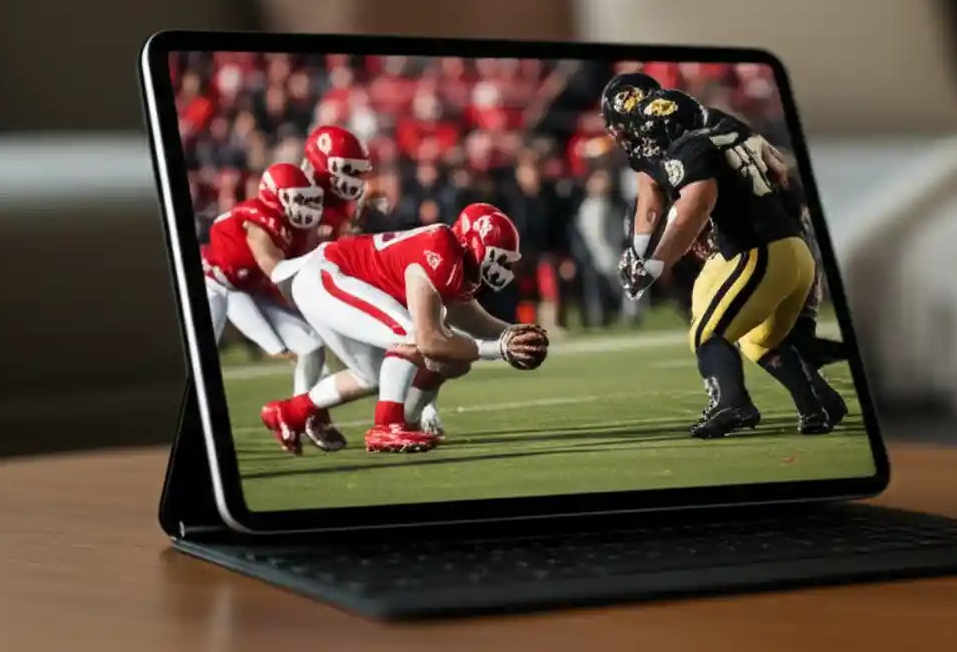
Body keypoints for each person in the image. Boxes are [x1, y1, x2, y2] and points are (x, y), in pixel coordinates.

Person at [604, 75, 844, 437]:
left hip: (761, 250)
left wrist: (651, 266)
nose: (645, 143)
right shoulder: (725, 129)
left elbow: (693, 210)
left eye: (649, 132)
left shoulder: (691, 147)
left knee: (708, 334)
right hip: (783, 246)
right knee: (757, 338)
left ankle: (733, 403)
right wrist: (642, 251)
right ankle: (817, 403)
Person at [261, 203, 551, 454]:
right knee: (411, 338)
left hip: (326, 278)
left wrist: (512, 333)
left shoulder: (459, 264)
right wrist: (499, 349)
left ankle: (290, 414)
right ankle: (388, 425)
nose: (503, 269)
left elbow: (473, 321)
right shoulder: (440, 250)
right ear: (476, 245)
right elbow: (428, 340)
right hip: (326, 273)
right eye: (499, 258)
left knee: (376, 375)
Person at [201, 162, 329, 406]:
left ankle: (302, 412)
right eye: (297, 198)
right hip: (212, 283)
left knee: (311, 345)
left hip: (246, 290)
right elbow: (274, 268)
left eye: (306, 198)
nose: (304, 206)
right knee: (199, 358)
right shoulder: (259, 217)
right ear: (275, 196)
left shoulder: (295, 229)